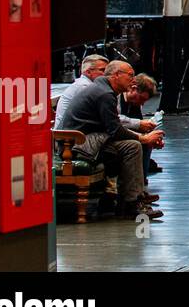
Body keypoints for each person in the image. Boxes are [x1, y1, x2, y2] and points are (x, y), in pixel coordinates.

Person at [58, 60, 164, 220]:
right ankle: (131, 203)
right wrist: (143, 138)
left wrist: (143, 139)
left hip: (91, 139)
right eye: (130, 75)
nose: (133, 80)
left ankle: (131, 198)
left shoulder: (105, 90)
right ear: (116, 75)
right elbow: (115, 130)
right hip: (78, 144)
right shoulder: (104, 94)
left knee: (133, 145)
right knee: (133, 146)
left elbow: (113, 127)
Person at [120, 74, 163, 176]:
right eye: (141, 98)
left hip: (126, 132)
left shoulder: (136, 103)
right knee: (139, 143)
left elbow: (136, 125)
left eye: (144, 101)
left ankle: (142, 181)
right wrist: (140, 125)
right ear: (133, 89)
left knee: (149, 141)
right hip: (116, 132)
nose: (142, 103)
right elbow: (115, 120)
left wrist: (152, 135)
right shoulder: (117, 97)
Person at [53, 53, 108, 131]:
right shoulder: (85, 87)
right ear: (88, 72)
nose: (106, 74)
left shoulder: (86, 84)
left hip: (74, 132)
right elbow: (106, 116)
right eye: (102, 70)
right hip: (70, 137)